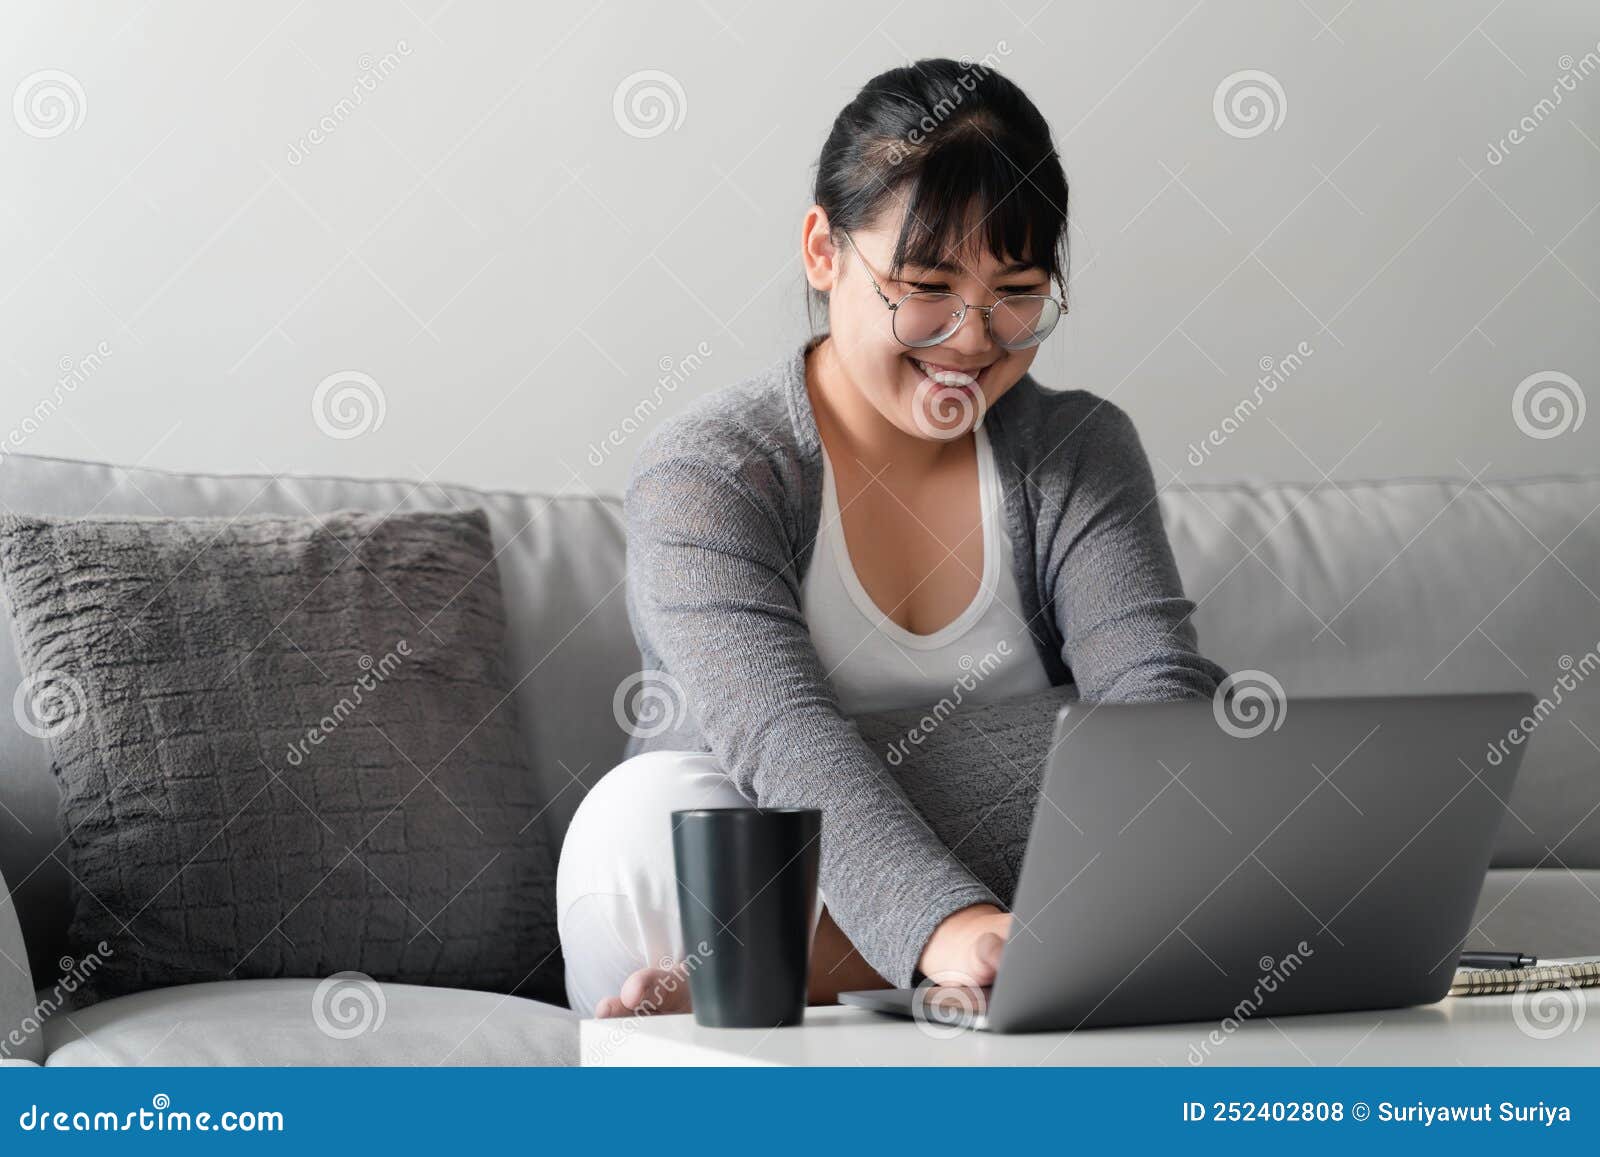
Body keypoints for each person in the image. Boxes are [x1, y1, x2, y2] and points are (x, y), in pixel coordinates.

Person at [556, 58, 1227, 1018]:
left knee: (1221, 759)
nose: (973, 338)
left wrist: (939, 805)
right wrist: (950, 921)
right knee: (647, 825)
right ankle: (963, 967)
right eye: (926, 286)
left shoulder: (1079, 449)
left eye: (1017, 292)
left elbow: (1159, 721)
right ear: (822, 252)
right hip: (820, 881)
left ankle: (777, 979)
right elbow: (781, 738)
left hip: (931, 915)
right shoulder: (707, 471)